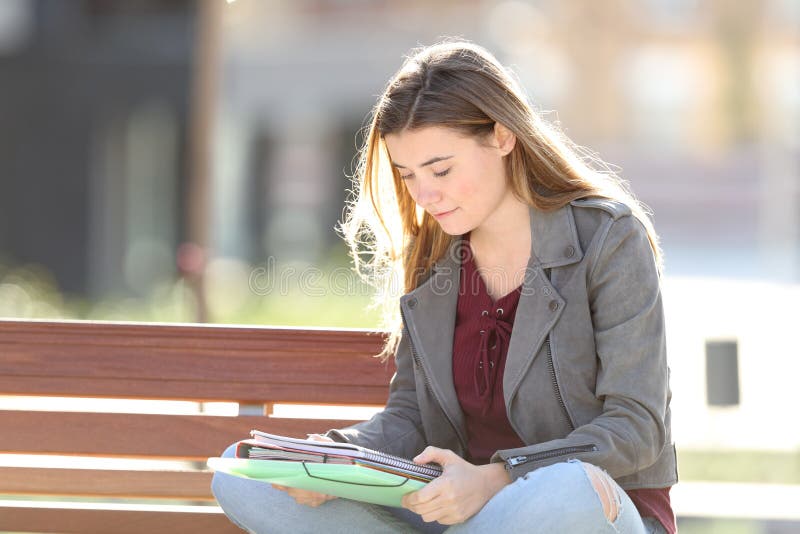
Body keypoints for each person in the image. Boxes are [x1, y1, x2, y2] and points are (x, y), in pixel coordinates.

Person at [212, 39, 677, 534]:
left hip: (580, 510)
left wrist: (498, 478)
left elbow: (636, 427)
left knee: (567, 488)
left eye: (441, 168)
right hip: (456, 513)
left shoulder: (608, 238)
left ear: (502, 136)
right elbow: (410, 414)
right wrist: (332, 460)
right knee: (242, 476)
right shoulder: (432, 255)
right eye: (408, 175)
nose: (426, 194)